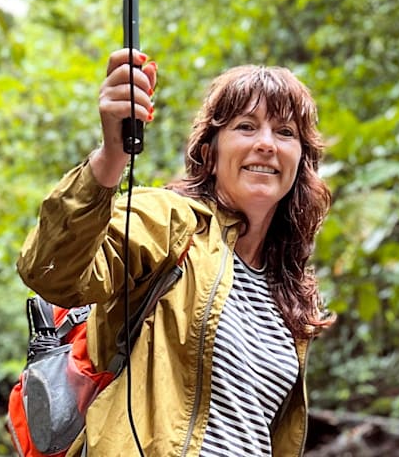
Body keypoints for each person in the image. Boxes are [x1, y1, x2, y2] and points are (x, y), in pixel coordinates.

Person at [18, 48, 334, 456]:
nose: (266, 144)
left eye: (285, 132)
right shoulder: (170, 221)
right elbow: (52, 269)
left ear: (300, 162)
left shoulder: (287, 288)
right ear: (210, 153)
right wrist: (112, 155)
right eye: (246, 126)